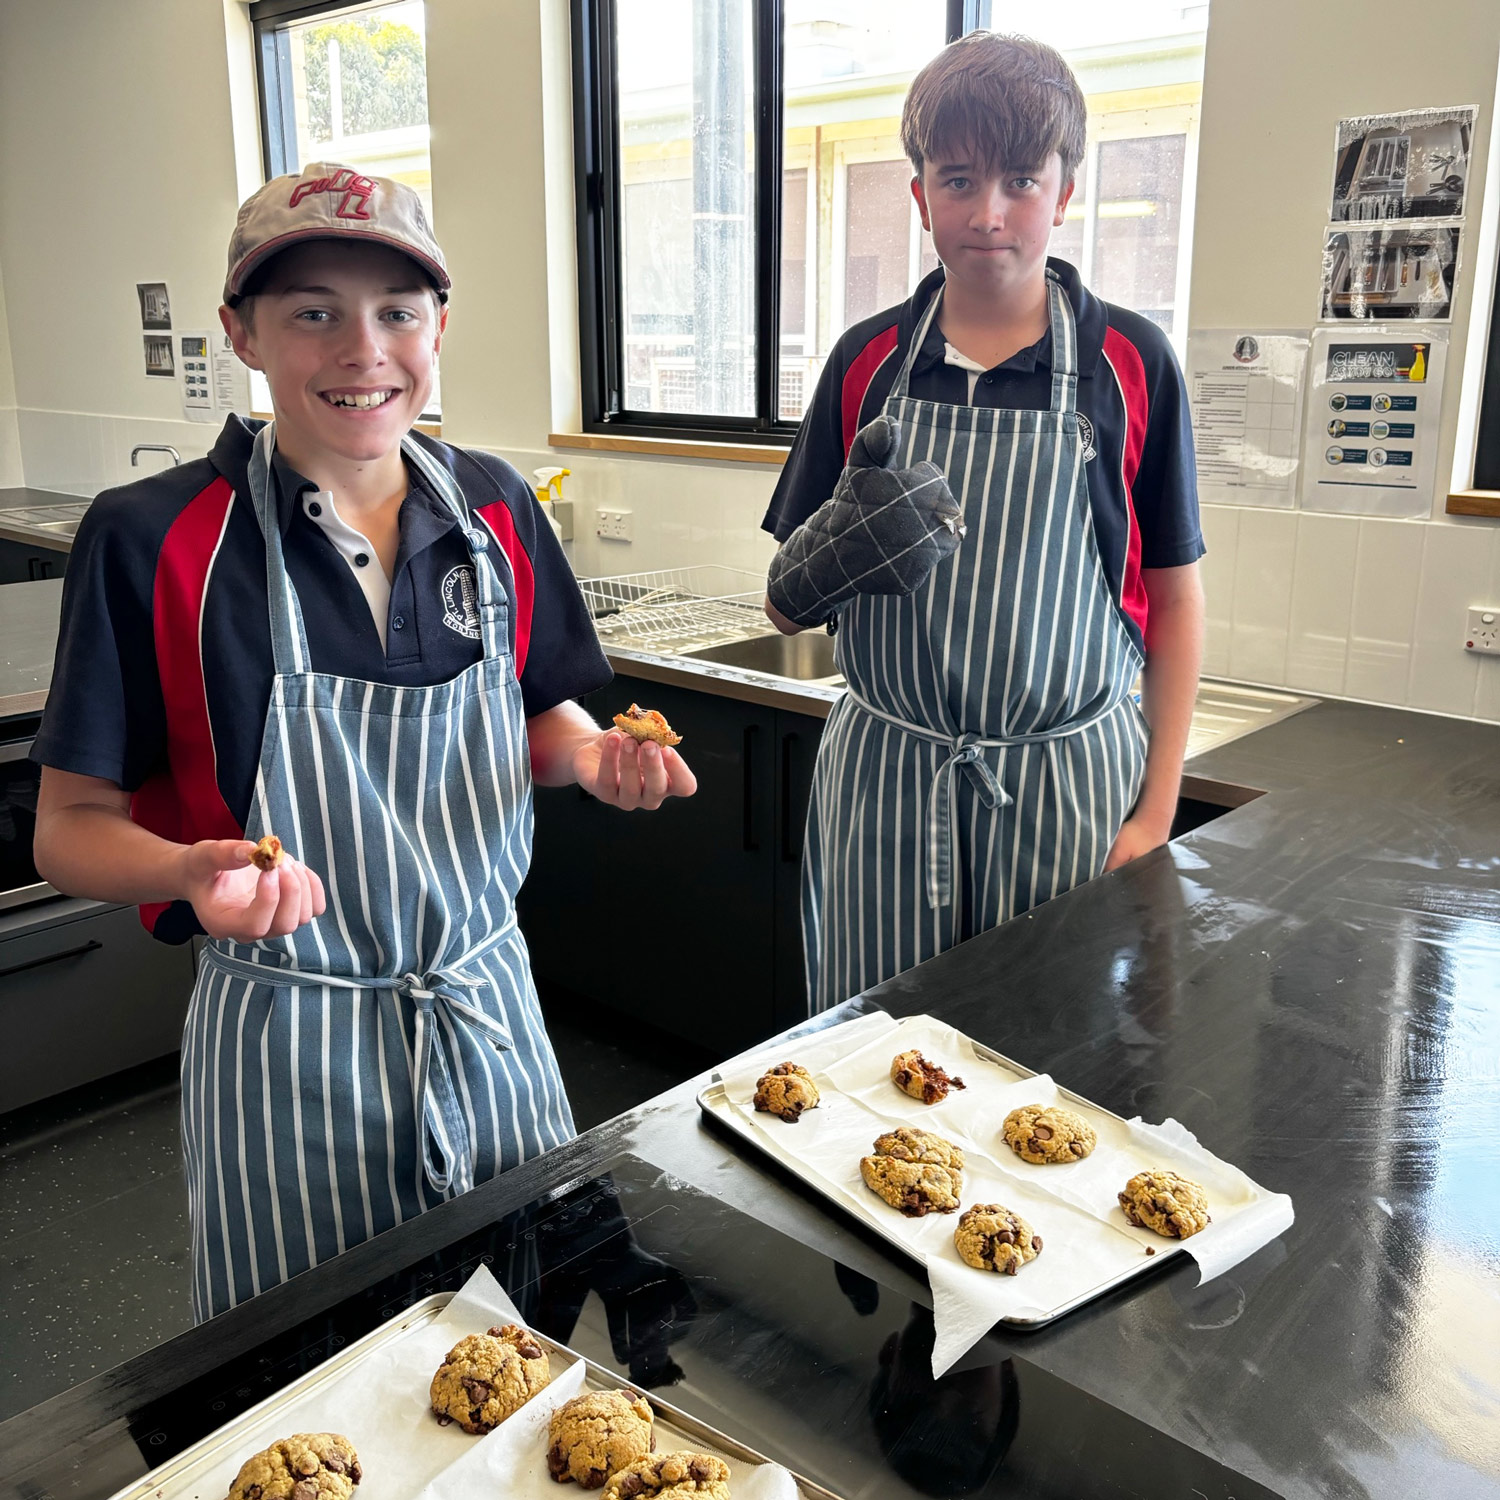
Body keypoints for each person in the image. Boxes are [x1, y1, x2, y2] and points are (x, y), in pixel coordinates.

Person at [31, 163, 696, 1319]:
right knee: (313, 1393)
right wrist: (188, 867)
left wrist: (591, 757)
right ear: (241, 331)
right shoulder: (159, 541)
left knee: (524, 1358)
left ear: (439, 324)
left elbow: (541, 717)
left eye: (396, 310)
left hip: (490, 1021)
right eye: (312, 312)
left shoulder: (493, 510)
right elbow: (67, 829)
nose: (362, 349)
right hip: (292, 1052)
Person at [762, 34, 1204, 1011]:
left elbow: (1174, 599)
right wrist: (831, 552)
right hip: (888, 778)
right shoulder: (864, 363)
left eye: (1020, 179)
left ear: (1066, 189)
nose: (990, 212)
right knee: (867, 1067)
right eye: (958, 179)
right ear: (918, 194)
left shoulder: (1130, 364)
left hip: (1068, 792)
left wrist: (1155, 812)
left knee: (1048, 1076)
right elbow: (785, 605)